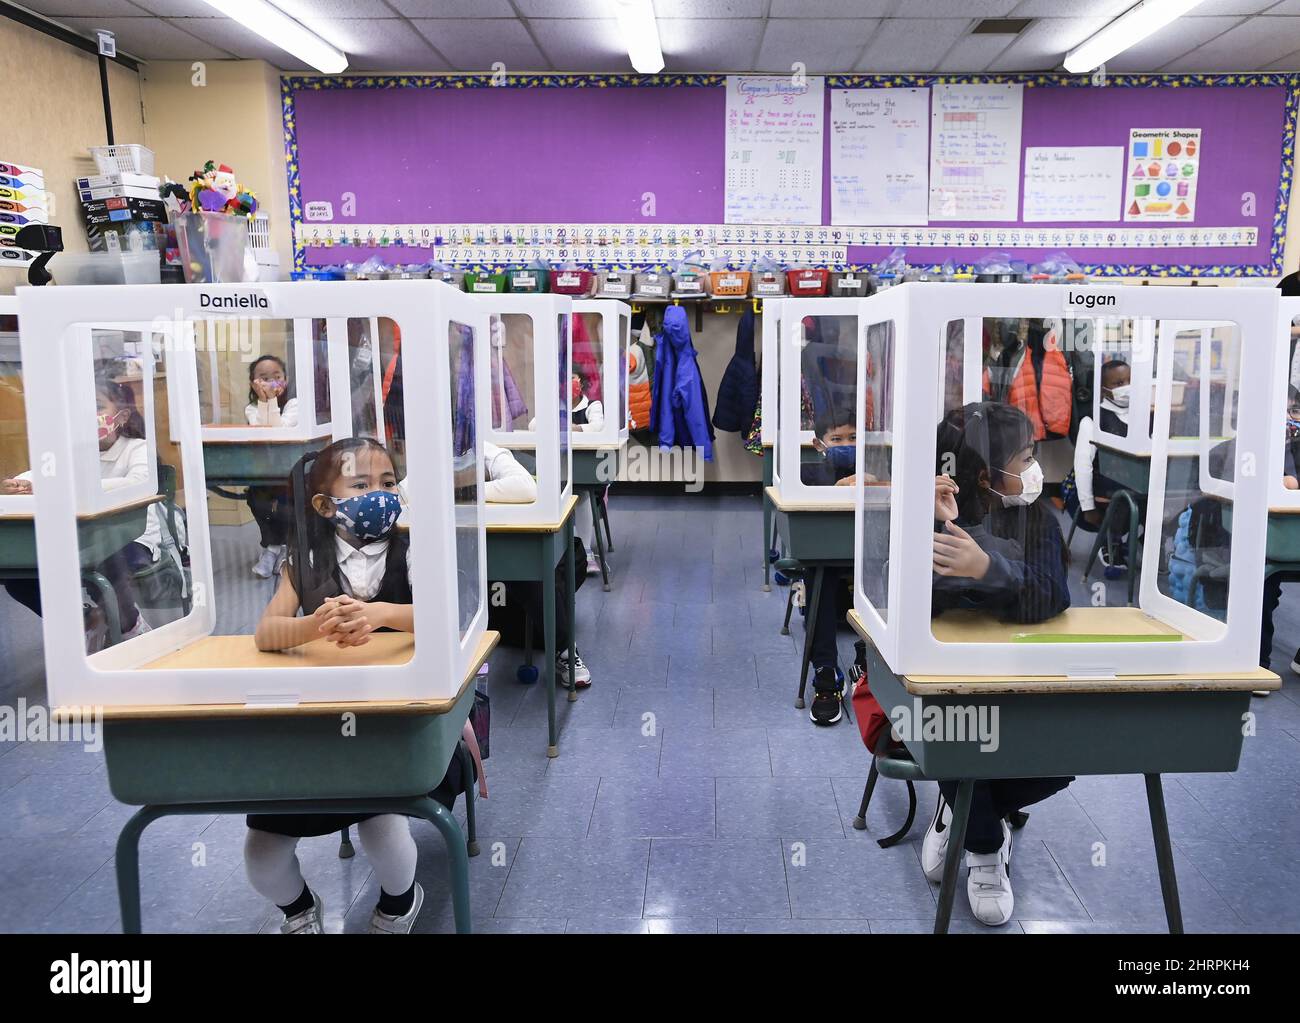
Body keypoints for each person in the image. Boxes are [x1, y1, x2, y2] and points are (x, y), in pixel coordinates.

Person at [248, 436, 423, 934]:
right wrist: (315, 624)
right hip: (315, 720)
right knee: (262, 852)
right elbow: (267, 633)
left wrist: (379, 614)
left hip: (398, 715)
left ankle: (398, 903)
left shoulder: (412, 546)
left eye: (388, 483)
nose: (382, 494)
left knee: (383, 827)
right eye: (362, 485)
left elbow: (447, 616)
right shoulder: (304, 558)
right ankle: (299, 908)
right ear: (326, 505)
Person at [922, 402, 1072, 927]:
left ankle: (962, 811)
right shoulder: (938, 514)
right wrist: (928, 528)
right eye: (1025, 458)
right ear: (986, 475)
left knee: (1066, 757)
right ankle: (985, 847)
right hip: (948, 685)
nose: (1035, 468)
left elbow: (1053, 596)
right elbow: (902, 599)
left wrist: (990, 569)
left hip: (1023, 676)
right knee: (954, 736)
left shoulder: (1038, 521)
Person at [2, 375, 159, 648]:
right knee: (17, 575)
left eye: (97, 406)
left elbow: (138, 483)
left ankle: (131, 625)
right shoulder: (71, 453)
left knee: (110, 561)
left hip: (135, 535)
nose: (87, 415)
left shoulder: (138, 448)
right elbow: (41, 474)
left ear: (121, 416)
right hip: (82, 538)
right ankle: (85, 621)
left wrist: (72, 487)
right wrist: (22, 483)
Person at [802, 403, 883, 726]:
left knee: (885, 571)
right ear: (819, 445)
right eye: (837, 440)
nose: (846, 446)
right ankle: (825, 674)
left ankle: (869, 660)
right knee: (817, 572)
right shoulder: (807, 474)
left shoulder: (877, 471)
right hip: (827, 559)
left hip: (870, 559)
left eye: (852, 438)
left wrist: (873, 483)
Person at [1064, 359, 1134, 572]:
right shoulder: (1092, 421)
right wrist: (1088, 507)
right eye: (1118, 383)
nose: (1126, 387)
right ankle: (1111, 543)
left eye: (1130, 381)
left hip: (1136, 487)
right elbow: (1083, 467)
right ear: (1104, 389)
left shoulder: (1143, 417)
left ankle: (1140, 542)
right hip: (1102, 491)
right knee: (1122, 496)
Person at [243, 354, 299, 578]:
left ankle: (282, 548)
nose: (271, 383)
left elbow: (279, 430)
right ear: (253, 384)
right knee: (256, 497)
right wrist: (265, 401)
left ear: (285, 380)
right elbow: (261, 430)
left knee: (287, 501)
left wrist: (271, 401)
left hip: (291, 469)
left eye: (276, 377)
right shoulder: (251, 408)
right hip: (265, 469)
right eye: (263, 378)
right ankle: (273, 547)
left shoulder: (295, 404)